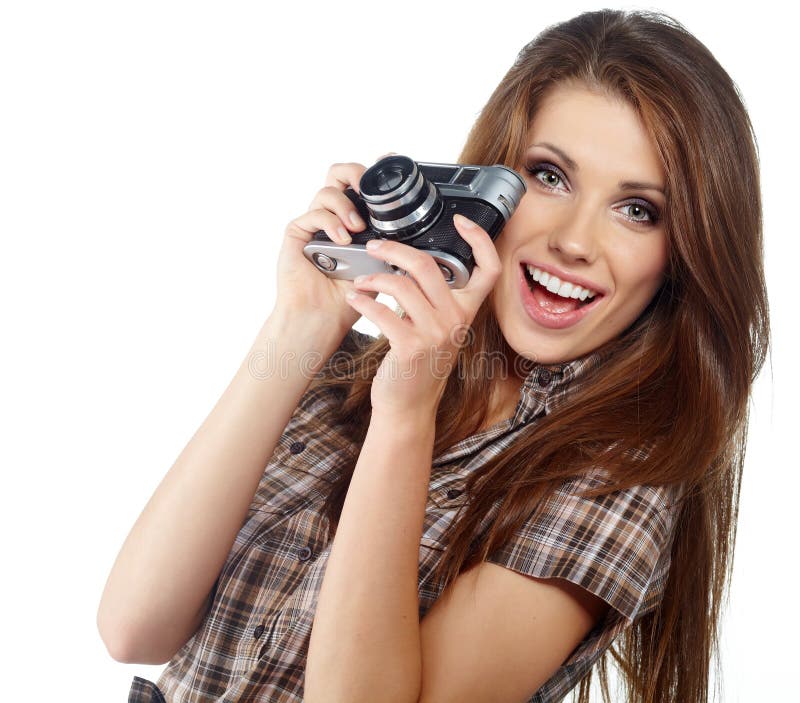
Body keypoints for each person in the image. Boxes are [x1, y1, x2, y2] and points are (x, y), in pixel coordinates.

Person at [98, 9, 769, 703]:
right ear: (489, 184)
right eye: (549, 176)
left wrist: (405, 418)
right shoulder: (347, 375)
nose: (574, 241)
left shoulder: (615, 484)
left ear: (682, 256)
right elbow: (132, 627)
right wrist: (299, 326)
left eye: (638, 211)